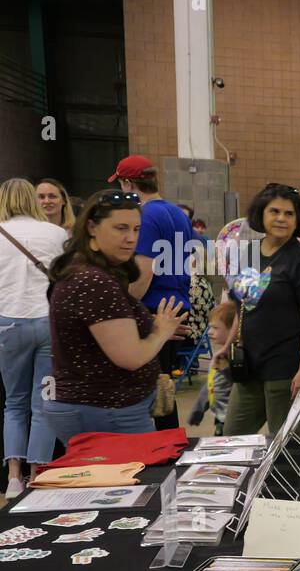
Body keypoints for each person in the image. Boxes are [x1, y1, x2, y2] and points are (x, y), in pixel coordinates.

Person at [44, 189, 187, 442]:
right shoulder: (93, 281)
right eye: (120, 228)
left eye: (136, 229)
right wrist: (160, 332)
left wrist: (151, 327)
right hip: (106, 410)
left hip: (106, 408)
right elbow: (131, 358)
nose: (131, 238)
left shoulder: (91, 272)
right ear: (91, 227)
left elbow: (97, 335)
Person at [223, 184, 300, 435]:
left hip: (287, 369)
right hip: (249, 365)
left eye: (289, 213)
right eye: (275, 211)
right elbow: (244, 304)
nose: (281, 218)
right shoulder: (249, 254)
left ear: (297, 219)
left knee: (286, 445)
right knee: (232, 439)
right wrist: (228, 345)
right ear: (262, 214)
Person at [108, 155, 196, 428]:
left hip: (152, 307)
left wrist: (122, 308)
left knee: (147, 392)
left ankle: (156, 453)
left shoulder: (146, 215)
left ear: (128, 183)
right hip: (174, 303)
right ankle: (167, 447)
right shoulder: (178, 214)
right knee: (163, 388)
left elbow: (144, 272)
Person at [0, 178, 67, 499]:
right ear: (32, 199)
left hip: (8, 323)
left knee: (13, 404)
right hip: (47, 321)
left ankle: (13, 478)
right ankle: (38, 472)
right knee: (43, 404)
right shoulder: (56, 233)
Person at [187, 300, 236, 435]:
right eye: (209, 327)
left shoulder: (236, 357)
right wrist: (198, 409)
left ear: (233, 329)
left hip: (233, 417)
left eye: (215, 328)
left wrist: (226, 369)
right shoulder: (217, 355)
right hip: (220, 415)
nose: (209, 332)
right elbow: (210, 384)